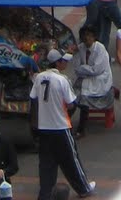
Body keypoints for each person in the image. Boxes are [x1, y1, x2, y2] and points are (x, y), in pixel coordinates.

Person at [31, 49, 97, 198]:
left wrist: (35, 124)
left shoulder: (38, 78)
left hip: (44, 128)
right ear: (58, 62)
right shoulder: (62, 80)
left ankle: (45, 194)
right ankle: (83, 188)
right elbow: (72, 103)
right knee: (71, 160)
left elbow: (34, 100)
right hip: (61, 127)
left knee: (46, 163)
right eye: (64, 61)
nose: (66, 63)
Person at [73, 25, 115, 136]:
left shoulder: (100, 49)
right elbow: (76, 68)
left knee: (84, 97)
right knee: (72, 96)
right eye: (84, 36)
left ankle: (81, 129)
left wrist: (83, 68)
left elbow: (96, 70)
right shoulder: (80, 48)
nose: (86, 38)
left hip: (100, 81)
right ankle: (66, 123)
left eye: (89, 35)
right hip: (86, 79)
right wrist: (85, 69)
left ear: (94, 37)